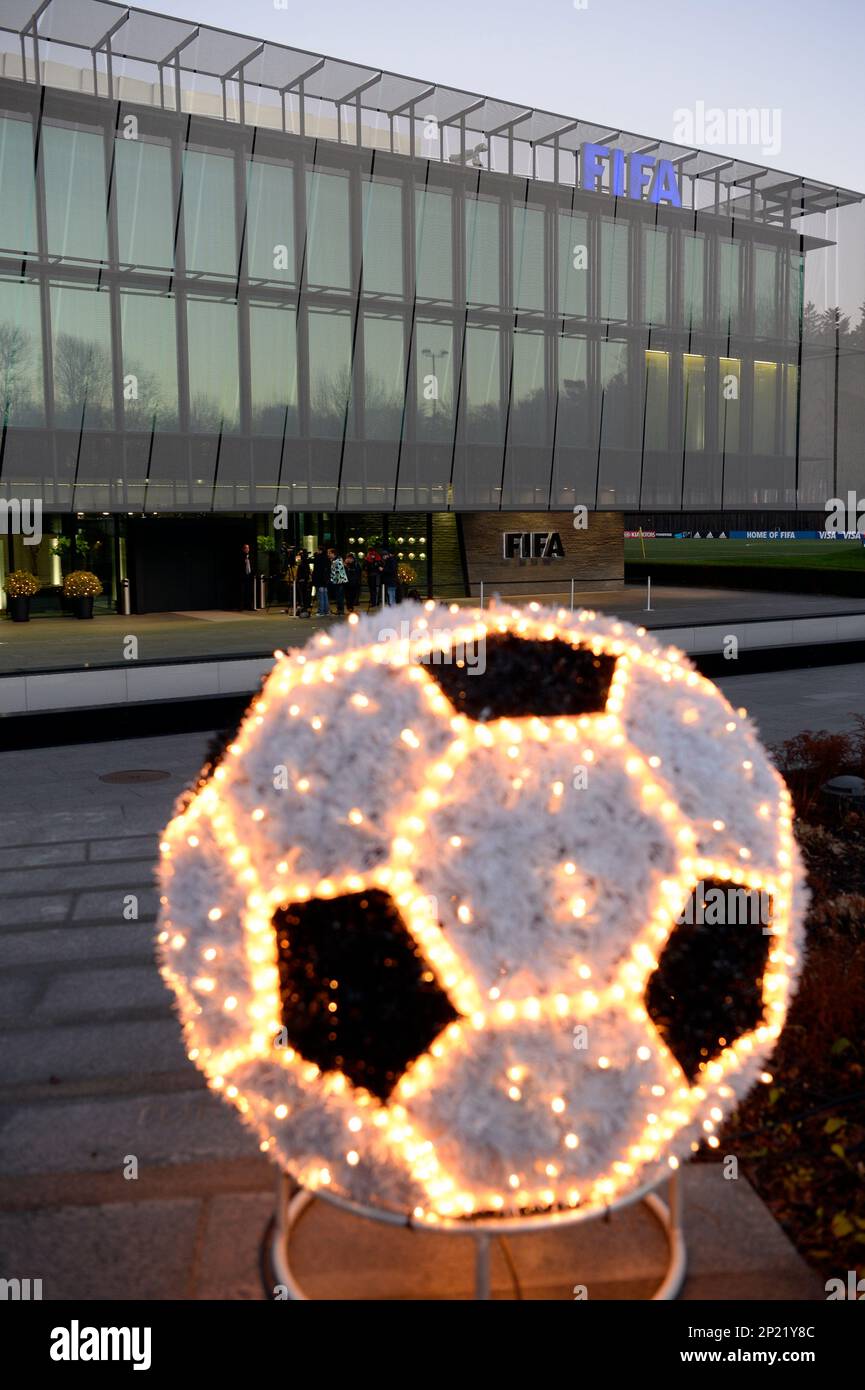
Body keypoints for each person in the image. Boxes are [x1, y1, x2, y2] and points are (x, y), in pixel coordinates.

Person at [328, 547, 348, 616]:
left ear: (333, 553)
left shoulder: (337, 561)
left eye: (329, 553)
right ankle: (340, 610)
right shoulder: (337, 560)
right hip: (338, 581)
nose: (328, 554)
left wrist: (331, 580)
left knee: (339, 596)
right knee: (339, 596)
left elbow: (336, 572)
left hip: (338, 581)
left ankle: (340, 610)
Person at [311, 546, 330, 615]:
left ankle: (321, 611)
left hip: (319, 580)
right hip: (325, 580)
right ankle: (326, 611)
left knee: (320, 596)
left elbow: (317, 571)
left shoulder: (318, 558)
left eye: (317, 550)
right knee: (325, 595)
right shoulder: (327, 558)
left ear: (320, 551)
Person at [240, 542, 255, 610]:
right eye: (246, 548)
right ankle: (241, 607)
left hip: (249, 576)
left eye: (248, 548)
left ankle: (250, 606)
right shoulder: (241, 556)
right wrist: (244, 561)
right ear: (243, 549)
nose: (247, 549)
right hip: (243, 576)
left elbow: (253, 566)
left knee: (250, 592)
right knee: (242, 592)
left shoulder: (251, 556)